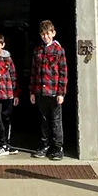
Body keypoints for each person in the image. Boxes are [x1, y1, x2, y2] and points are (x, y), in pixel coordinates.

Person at [29, 19, 68, 160]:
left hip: (54, 91)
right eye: (43, 34)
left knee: (56, 120)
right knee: (44, 119)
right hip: (40, 91)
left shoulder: (59, 51)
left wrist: (61, 93)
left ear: (53, 33)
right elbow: (34, 72)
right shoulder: (37, 51)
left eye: (48, 34)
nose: (45, 36)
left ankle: (58, 147)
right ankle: (44, 144)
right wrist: (32, 91)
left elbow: (63, 73)